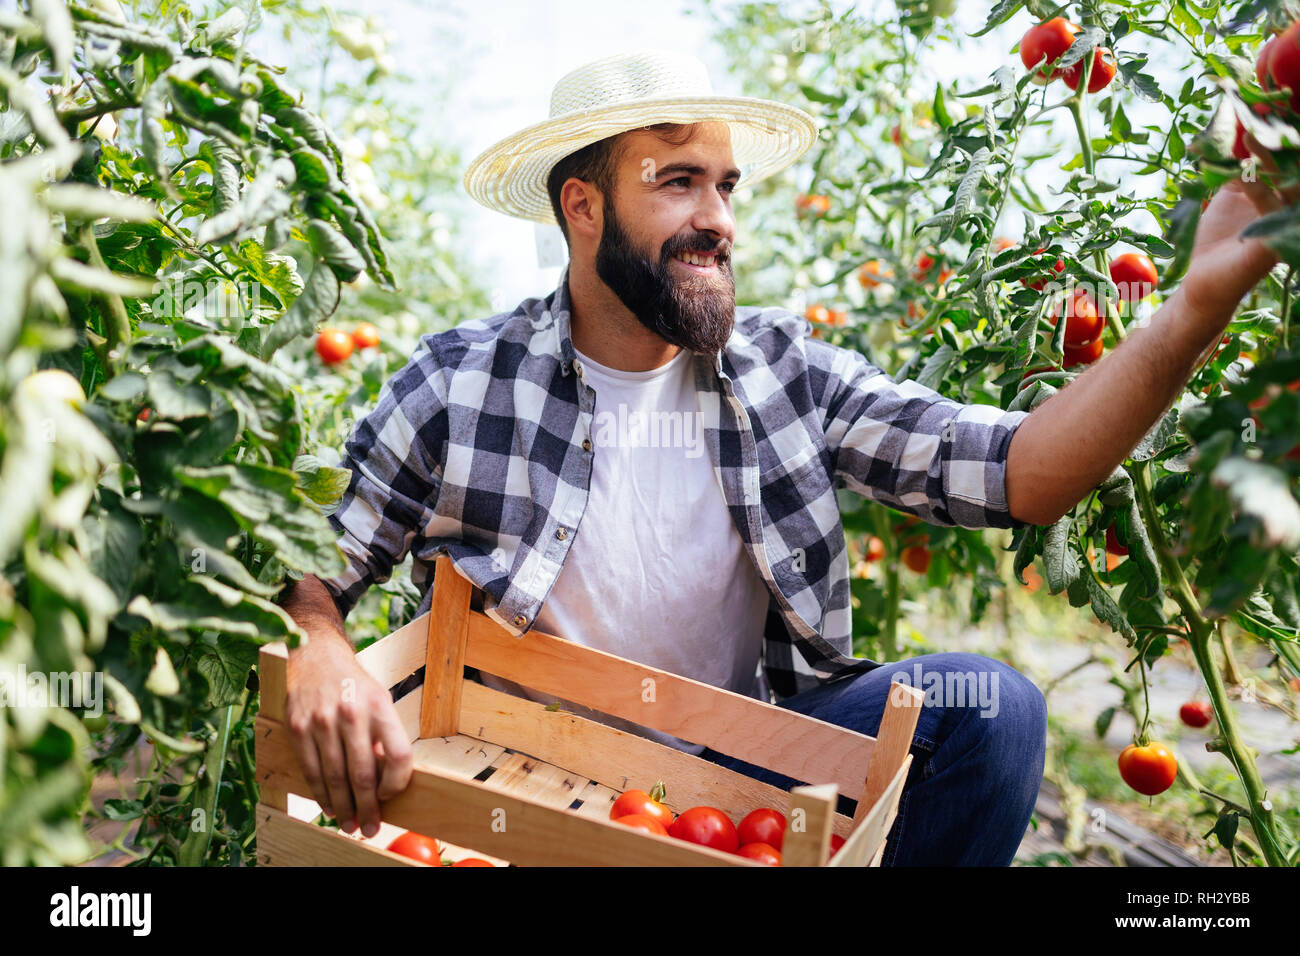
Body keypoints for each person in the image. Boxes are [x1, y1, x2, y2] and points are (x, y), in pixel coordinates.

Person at [278, 49, 1289, 865]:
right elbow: (311, 553)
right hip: (522, 773)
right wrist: (321, 644)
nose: (717, 217)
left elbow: (1021, 469)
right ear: (580, 208)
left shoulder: (782, 372)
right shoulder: (458, 381)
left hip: (728, 770)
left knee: (990, 712)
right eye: (677, 182)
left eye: (724, 185)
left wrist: (1196, 304)